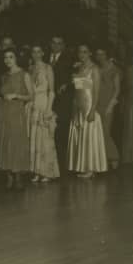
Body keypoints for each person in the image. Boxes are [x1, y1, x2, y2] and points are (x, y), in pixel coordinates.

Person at [0, 49, 33, 191]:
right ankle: (8, 175)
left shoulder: (24, 74)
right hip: (3, 112)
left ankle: (18, 176)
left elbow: (30, 96)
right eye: (5, 57)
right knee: (5, 142)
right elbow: (1, 93)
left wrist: (16, 95)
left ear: (16, 58)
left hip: (16, 112)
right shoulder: (3, 76)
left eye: (11, 57)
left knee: (16, 141)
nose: (8, 60)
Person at [68, 44, 108, 178]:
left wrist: (92, 110)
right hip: (79, 105)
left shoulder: (94, 69)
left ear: (90, 53)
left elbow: (96, 92)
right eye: (80, 52)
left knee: (89, 135)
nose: (82, 54)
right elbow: (78, 90)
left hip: (89, 105)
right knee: (80, 135)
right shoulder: (79, 68)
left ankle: (91, 168)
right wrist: (74, 108)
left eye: (85, 52)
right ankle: (84, 167)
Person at [28, 44, 60, 183]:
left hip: (43, 103)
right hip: (32, 105)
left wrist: (48, 109)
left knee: (45, 138)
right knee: (34, 138)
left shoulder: (48, 68)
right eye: (33, 51)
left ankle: (47, 171)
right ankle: (36, 171)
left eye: (38, 51)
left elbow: (52, 91)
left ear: (42, 53)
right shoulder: (30, 68)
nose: (36, 54)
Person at [48, 35, 74, 173]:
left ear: (63, 45)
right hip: (47, 101)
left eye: (59, 43)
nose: (56, 45)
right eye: (54, 43)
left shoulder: (69, 59)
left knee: (61, 132)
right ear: (50, 44)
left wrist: (67, 85)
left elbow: (75, 77)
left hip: (62, 101)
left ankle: (62, 165)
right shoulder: (46, 57)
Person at [95, 46, 122, 170]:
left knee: (105, 132)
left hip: (108, 104)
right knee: (99, 132)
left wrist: (110, 106)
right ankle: (104, 159)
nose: (100, 57)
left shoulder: (114, 70)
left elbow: (117, 90)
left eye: (102, 54)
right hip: (97, 103)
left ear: (107, 55)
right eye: (98, 54)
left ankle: (114, 157)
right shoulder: (97, 69)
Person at [122, 49, 133, 165]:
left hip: (130, 102)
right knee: (129, 129)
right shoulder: (130, 70)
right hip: (130, 102)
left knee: (130, 129)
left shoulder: (129, 70)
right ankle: (128, 158)